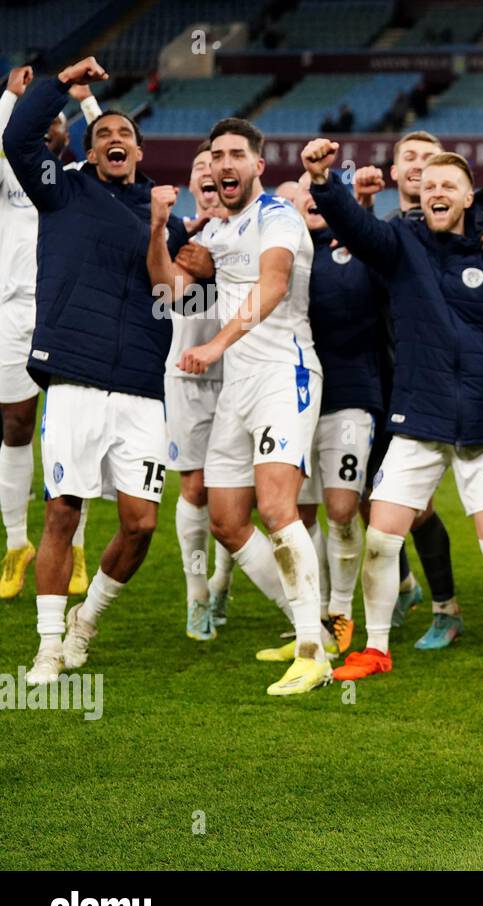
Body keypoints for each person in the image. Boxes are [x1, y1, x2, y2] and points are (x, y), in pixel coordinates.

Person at [304, 139, 483, 686]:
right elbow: (357, 229)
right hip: (419, 414)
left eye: (448, 185)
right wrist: (325, 184)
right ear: (418, 193)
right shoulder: (402, 245)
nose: (436, 191)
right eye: (429, 185)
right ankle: (375, 648)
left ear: (468, 196)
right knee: (382, 538)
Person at [2, 57, 191, 683]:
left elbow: (189, 282)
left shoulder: (163, 217)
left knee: (140, 525)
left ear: (139, 152)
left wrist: (189, 240)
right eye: (104, 134)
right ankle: (49, 645)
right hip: (75, 378)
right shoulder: (63, 189)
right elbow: (17, 138)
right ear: (88, 150)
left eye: (126, 136)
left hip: (141, 386)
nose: (115, 140)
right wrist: (60, 82)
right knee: (64, 511)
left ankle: (88, 620)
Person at [147, 117, 328, 697]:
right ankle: (310, 626)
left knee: (278, 508)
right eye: (216, 155)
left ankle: (312, 652)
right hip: (236, 389)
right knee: (226, 519)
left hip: (284, 374)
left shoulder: (278, 217)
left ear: (257, 165)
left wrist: (216, 344)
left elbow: (272, 285)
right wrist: (160, 232)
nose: (225, 164)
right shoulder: (220, 231)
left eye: (236, 155)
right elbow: (167, 288)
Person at [246, 173, 385, 662]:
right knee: (296, 515)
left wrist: (361, 208)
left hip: (349, 393)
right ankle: (308, 617)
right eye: (290, 197)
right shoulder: (276, 260)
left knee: (344, 508)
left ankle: (340, 611)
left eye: (310, 191)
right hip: (287, 397)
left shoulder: (353, 249)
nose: (304, 199)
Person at [0, 64, 101, 600]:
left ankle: (76, 545)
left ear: (63, 132)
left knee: (71, 430)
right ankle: (16, 543)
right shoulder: (8, 172)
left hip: (65, 310)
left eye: (58, 119)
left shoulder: (80, 177)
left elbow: (116, 153)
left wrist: (86, 103)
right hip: (11, 313)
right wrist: (9, 99)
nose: (51, 124)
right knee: (15, 426)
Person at [165, 141, 238, 642]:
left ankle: (222, 581)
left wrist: (219, 270)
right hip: (187, 377)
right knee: (194, 489)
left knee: (232, 494)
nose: (209, 174)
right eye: (200, 168)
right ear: (194, 185)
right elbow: (163, 294)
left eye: (217, 166)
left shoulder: (250, 235)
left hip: (240, 376)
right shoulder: (172, 238)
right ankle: (195, 595)